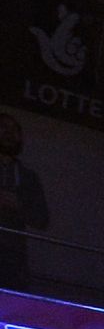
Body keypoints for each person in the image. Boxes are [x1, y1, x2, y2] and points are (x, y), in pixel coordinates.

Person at [0, 111, 51, 291]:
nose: (9, 133)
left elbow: (42, 219)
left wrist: (17, 205)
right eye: (3, 127)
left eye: (14, 130)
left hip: (13, 261)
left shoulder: (28, 177)